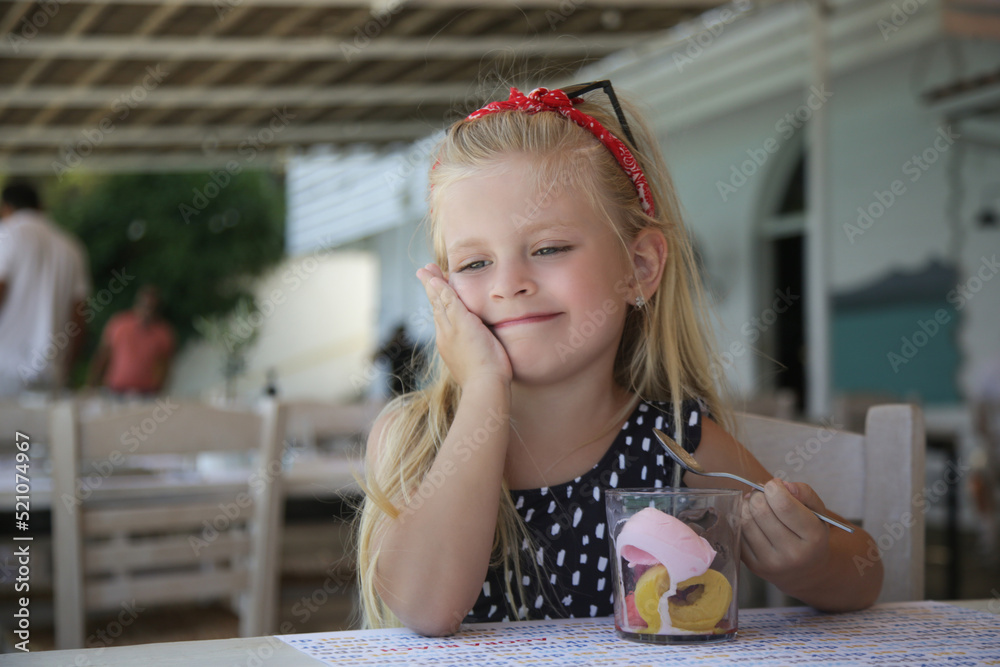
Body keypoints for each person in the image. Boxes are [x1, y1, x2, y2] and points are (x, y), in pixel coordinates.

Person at [356, 83, 882, 636]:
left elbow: (866, 574)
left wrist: (811, 561)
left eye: (549, 249)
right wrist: (485, 384)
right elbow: (426, 609)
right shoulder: (413, 437)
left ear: (639, 266)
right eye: (473, 263)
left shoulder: (673, 442)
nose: (509, 284)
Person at [0, 182, 90, 397]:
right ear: (40, 207)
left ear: (6, 207)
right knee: (32, 433)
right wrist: (66, 369)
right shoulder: (71, 246)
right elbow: (79, 315)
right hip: (50, 373)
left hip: (6, 367)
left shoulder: (7, 234)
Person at [87, 285, 175, 396]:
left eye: (152, 307)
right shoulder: (119, 325)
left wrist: (158, 389)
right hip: (115, 390)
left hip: (146, 393)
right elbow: (103, 355)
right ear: (137, 304)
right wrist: (92, 384)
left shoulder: (163, 333)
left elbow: (164, 365)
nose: (147, 311)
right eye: (145, 306)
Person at [372, 323, 426, 396]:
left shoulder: (408, 349)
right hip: (400, 389)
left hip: (408, 388)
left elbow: (422, 364)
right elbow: (376, 357)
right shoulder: (394, 349)